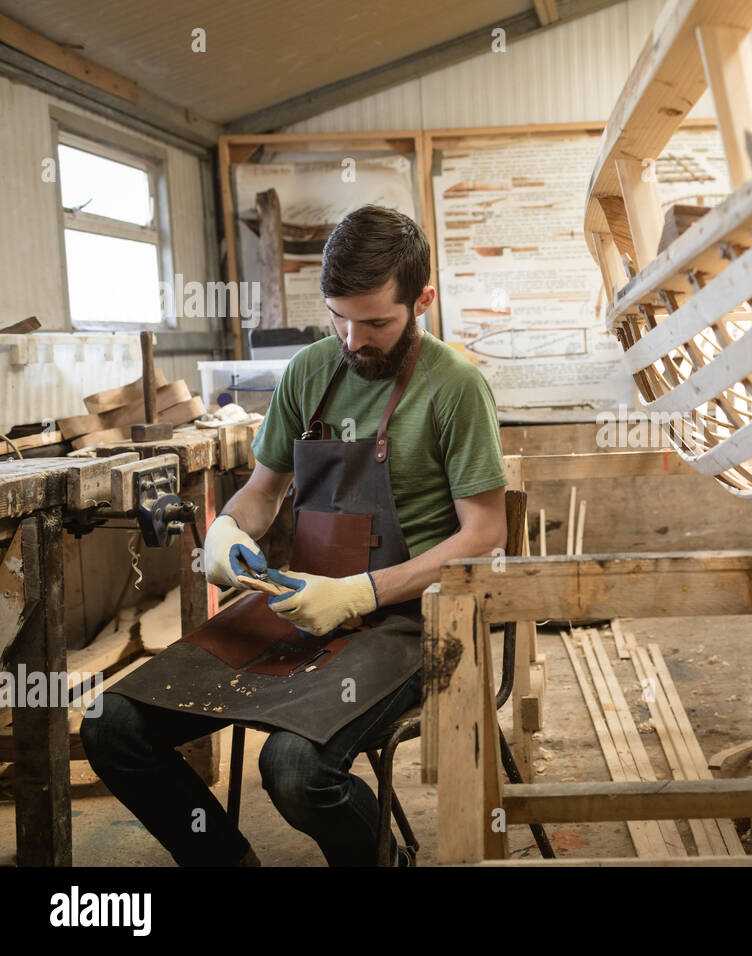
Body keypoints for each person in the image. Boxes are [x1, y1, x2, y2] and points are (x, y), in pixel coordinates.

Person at [83, 204, 508, 866]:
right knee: (112, 727)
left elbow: (484, 535)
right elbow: (263, 490)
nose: (353, 337)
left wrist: (362, 592)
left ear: (422, 300)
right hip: (301, 604)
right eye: (339, 316)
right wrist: (227, 530)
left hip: (414, 621)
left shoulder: (455, 387)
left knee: (295, 769)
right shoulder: (309, 372)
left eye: (376, 322)